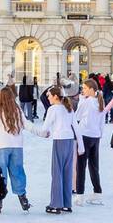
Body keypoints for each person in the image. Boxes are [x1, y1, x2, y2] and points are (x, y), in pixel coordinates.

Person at [0, 85, 38, 213]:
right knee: (18, 172)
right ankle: (23, 199)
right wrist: (42, 132)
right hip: (16, 146)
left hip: (0, 146)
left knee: (0, 173)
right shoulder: (17, 110)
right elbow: (27, 124)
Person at [38, 86, 81, 215]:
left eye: (49, 96)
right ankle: (67, 204)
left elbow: (45, 128)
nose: (48, 98)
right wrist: (81, 146)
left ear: (56, 96)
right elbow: (76, 127)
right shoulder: (68, 108)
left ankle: (56, 204)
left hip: (59, 141)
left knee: (57, 173)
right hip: (69, 141)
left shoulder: (53, 109)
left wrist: (40, 133)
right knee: (67, 172)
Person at [73, 77, 104, 205]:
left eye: (85, 88)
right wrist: (99, 134)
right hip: (95, 136)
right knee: (93, 166)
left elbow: (77, 116)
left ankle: (80, 195)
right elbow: (102, 121)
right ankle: (97, 192)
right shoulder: (100, 101)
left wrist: (81, 101)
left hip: (84, 135)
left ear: (91, 89)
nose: (82, 90)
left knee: (81, 166)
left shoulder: (87, 101)